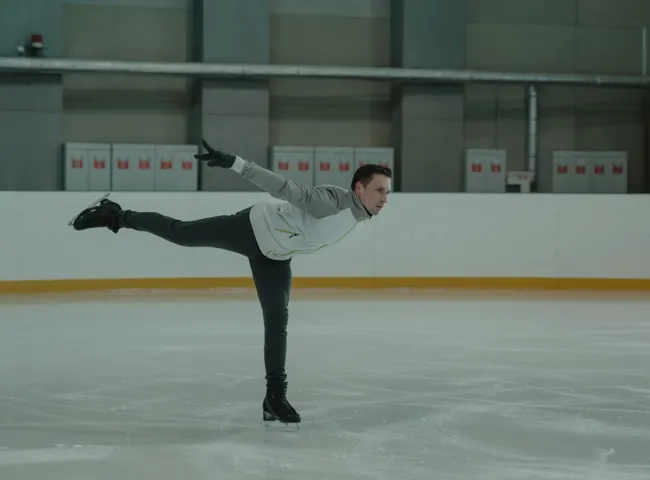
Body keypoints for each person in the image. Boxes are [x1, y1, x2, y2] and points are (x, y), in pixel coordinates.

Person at [69, 139, 392, 426]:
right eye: (379, 190)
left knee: (277, 320)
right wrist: (236, 163)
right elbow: (284, 187)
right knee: (182, 233)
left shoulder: (359, 216)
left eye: (388, 192)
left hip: (275, 254)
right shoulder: (332, 203)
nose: (384, 198)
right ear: (359, 188)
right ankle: (116, 215)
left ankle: (274, 399)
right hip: (252, 228)